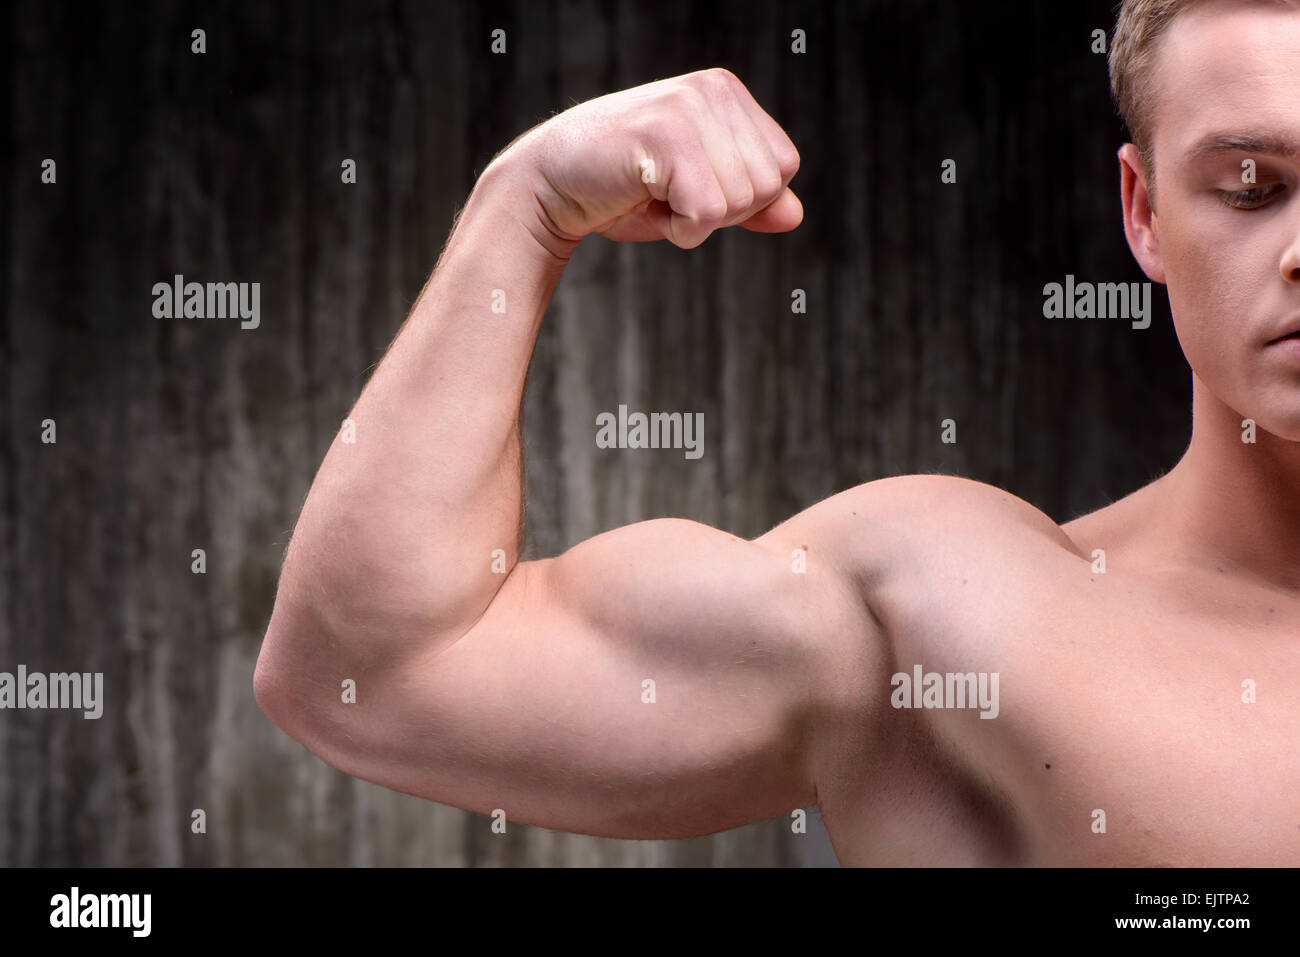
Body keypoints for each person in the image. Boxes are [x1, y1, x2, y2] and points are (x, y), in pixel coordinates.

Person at [254, 0, 1300, 865]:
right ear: (1143, 212)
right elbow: (374, 675)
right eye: (1253, 186)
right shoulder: (955, 616)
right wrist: (522, 206)